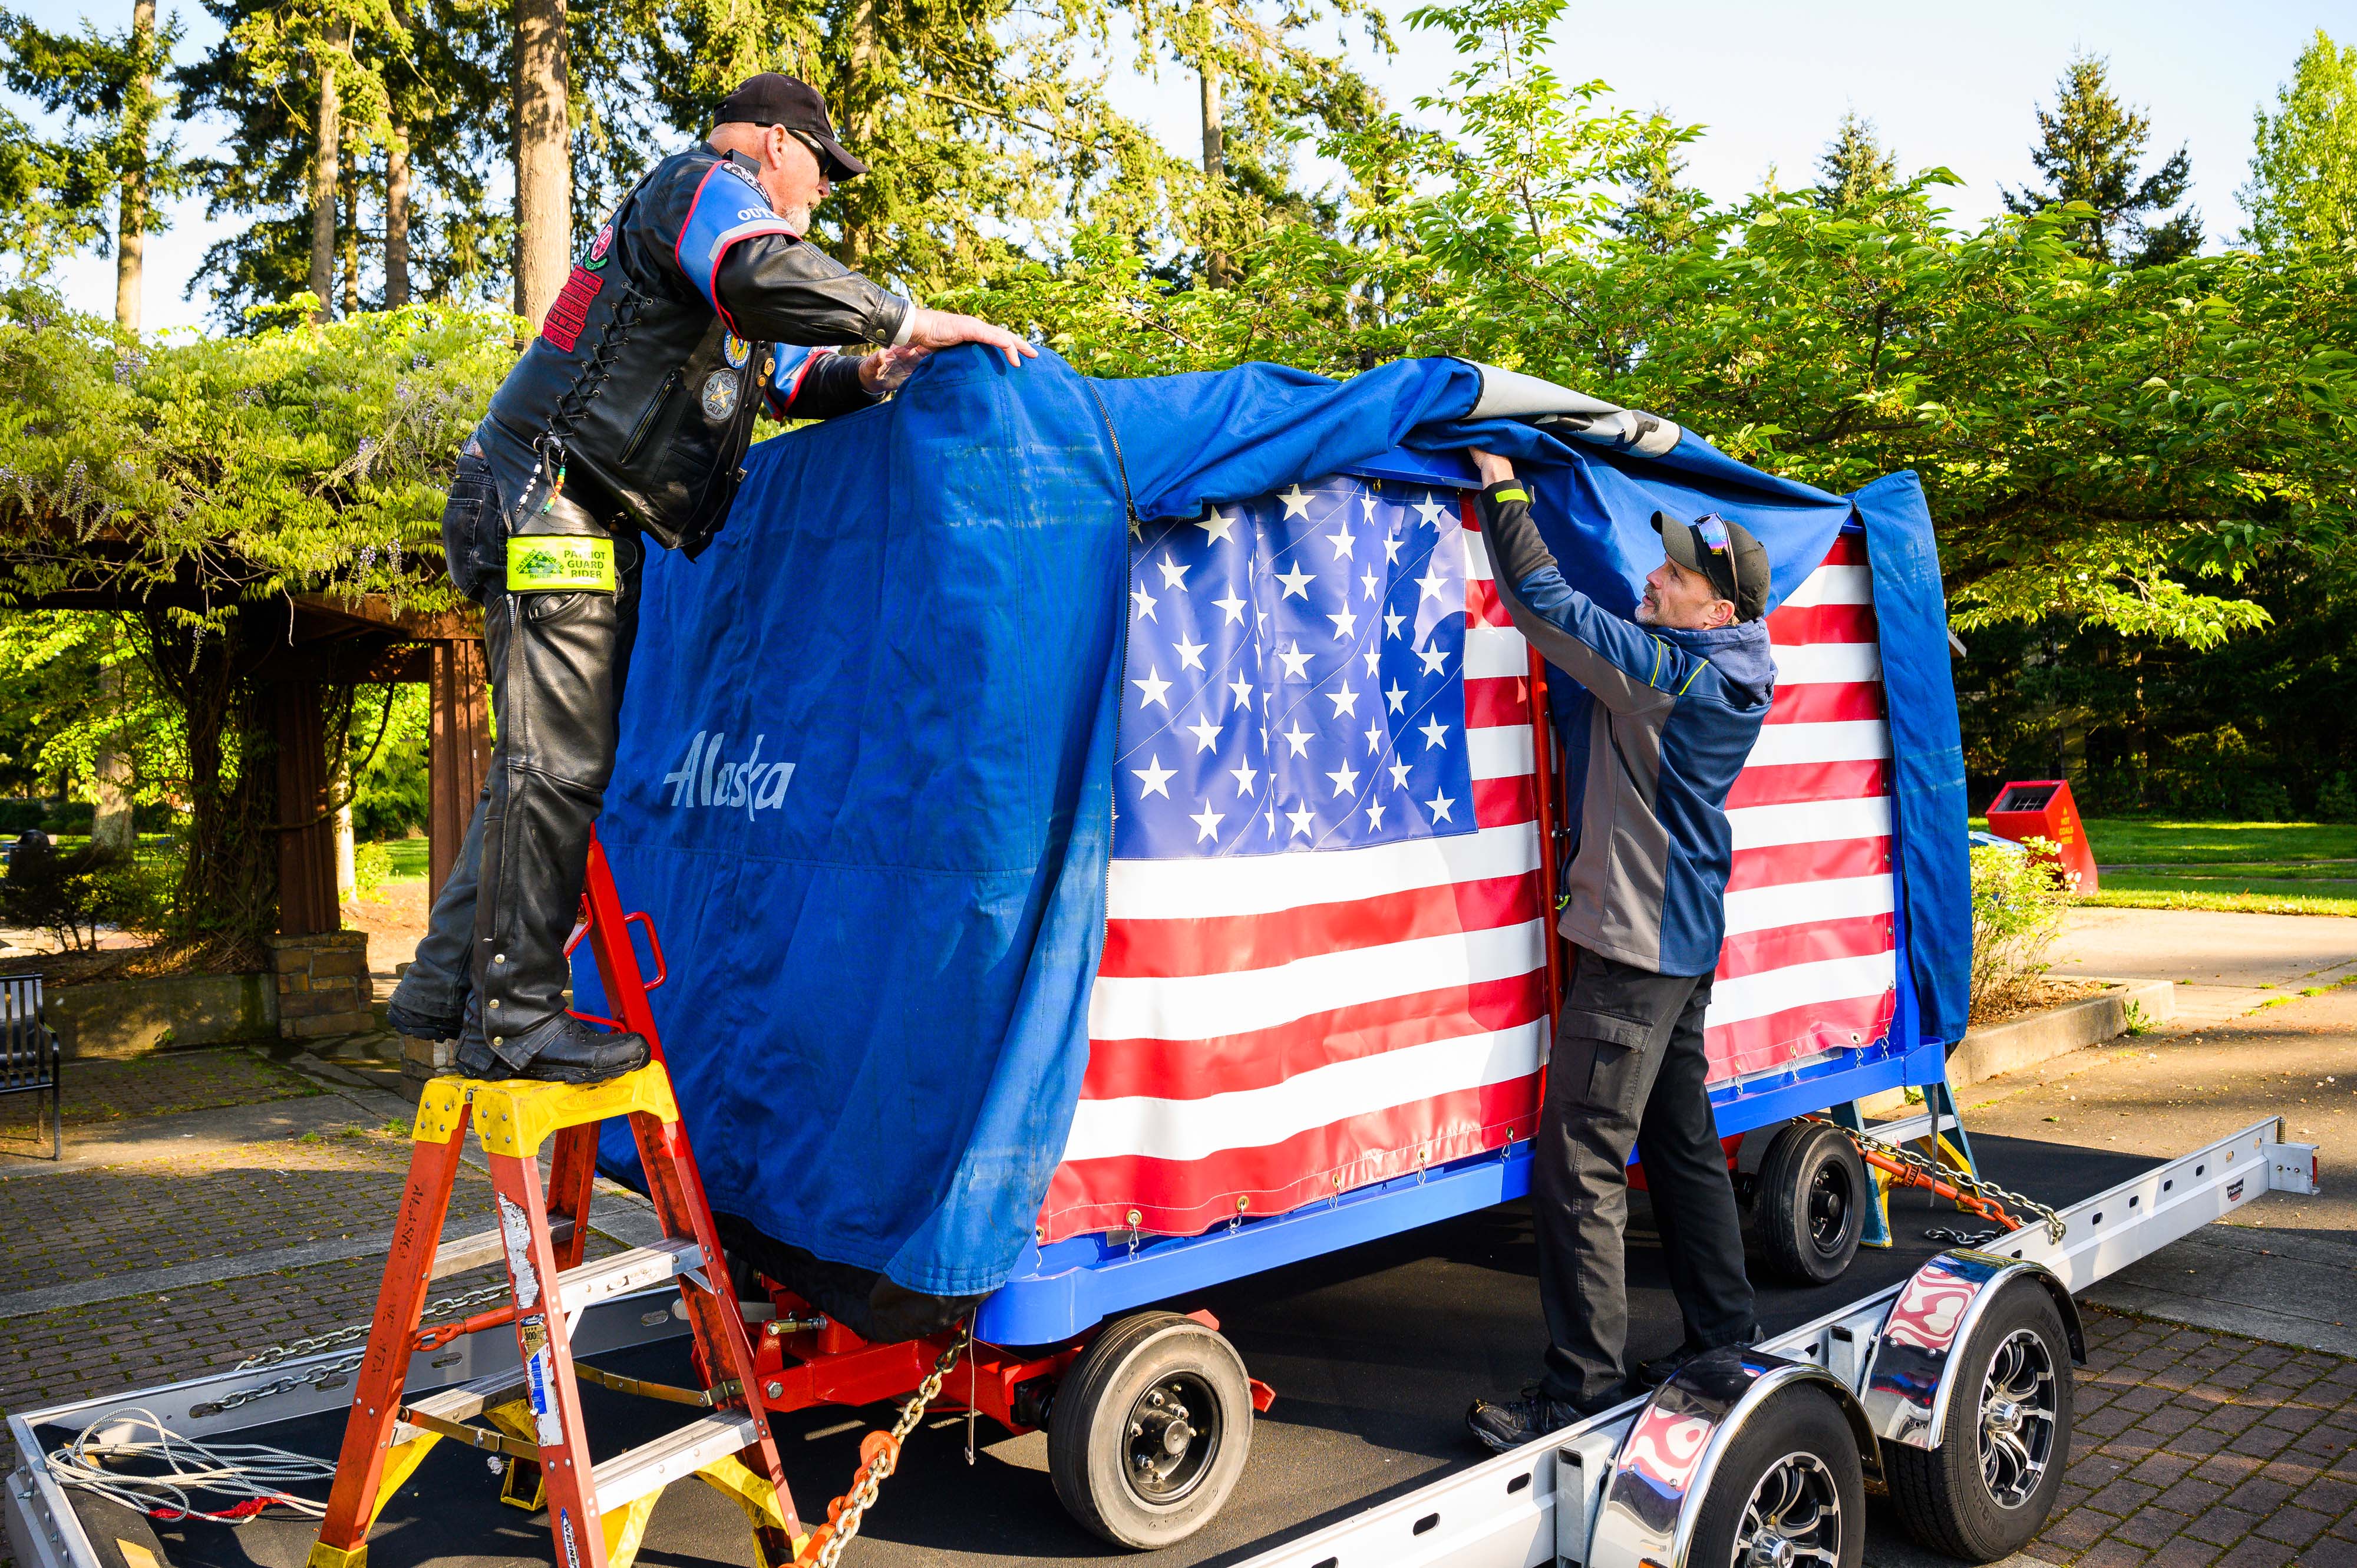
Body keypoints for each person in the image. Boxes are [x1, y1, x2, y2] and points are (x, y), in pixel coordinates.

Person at [387, 73, 1036, 1085]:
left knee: (541, 765)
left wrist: (867, 376)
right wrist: (907, 317)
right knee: (557, 769)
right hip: (550, 497)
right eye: (820, 173)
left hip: (562, 499)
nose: (818, 196)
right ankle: (516, 1021)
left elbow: (767, 377)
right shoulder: (702, 184)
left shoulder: (698, 259)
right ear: (778, 144)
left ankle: (443, 986)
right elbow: (762, 275)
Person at [1461, 447, 1774, 1450]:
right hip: (1682, 946)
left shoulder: (1667, 675)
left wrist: (1503, 484)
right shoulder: (1730, 669)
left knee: (1582, 1164)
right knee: (1682, 1148)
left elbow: (1547, 603)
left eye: (1677, 576)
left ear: (1715, 612)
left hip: (1636, 952)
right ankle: (1723, 1339)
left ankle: (1580, 1387)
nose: (1654, 579)